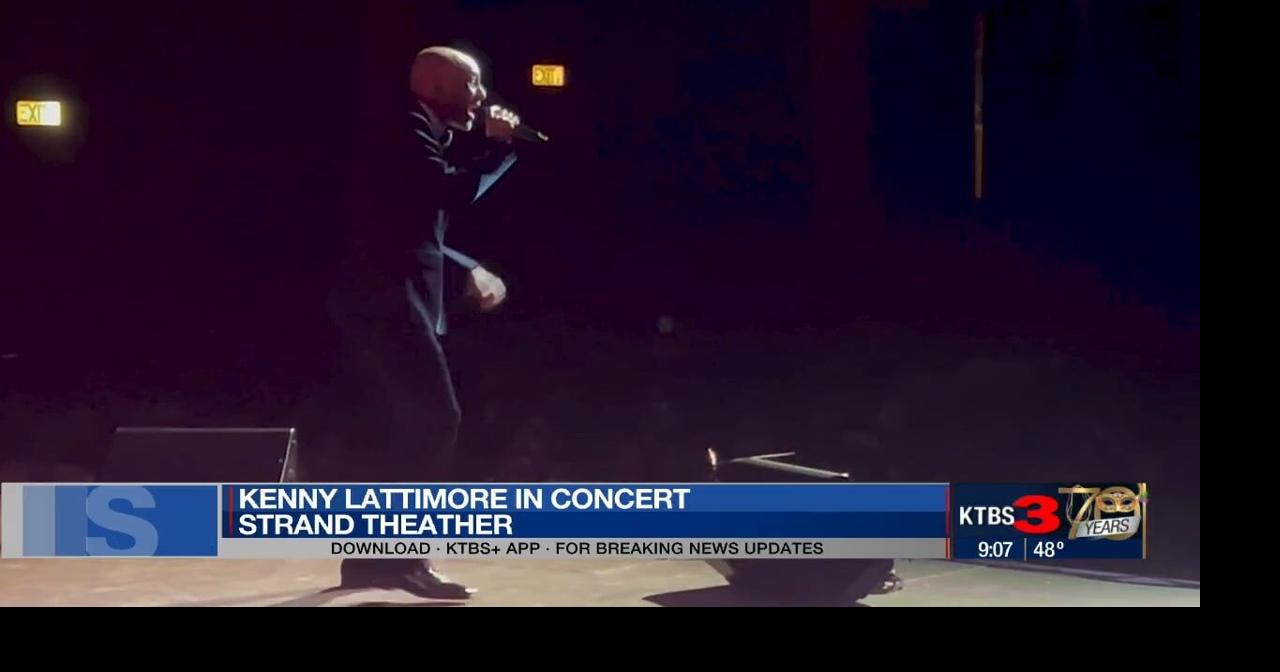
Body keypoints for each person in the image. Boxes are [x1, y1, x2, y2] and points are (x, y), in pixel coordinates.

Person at [327, 46, 521, 599]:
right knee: (435, 419)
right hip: (385, 300)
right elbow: (443, 193)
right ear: (438, 86)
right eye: (474, 85)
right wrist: (495, 147)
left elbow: (413, 221)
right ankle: (402, 561)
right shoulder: (407, 127)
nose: (483, 97)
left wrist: (463, 267)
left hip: (379, 299)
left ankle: (370, 561)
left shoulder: (415, 129)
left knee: (400, 425)